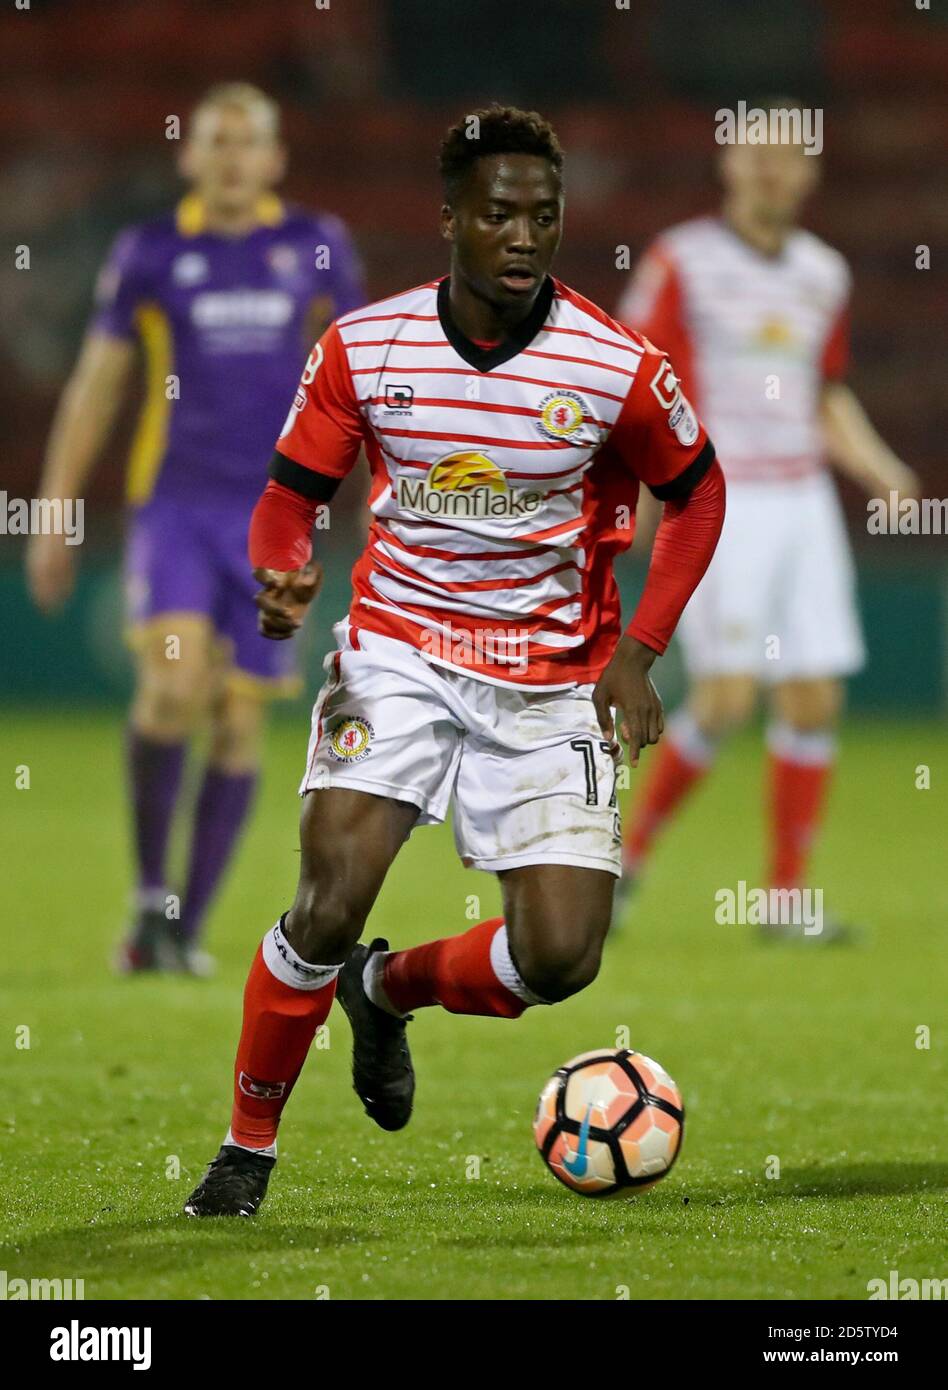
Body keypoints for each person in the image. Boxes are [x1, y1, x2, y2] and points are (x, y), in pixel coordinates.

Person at [183, 104, 726, 1218]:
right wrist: (282, 569)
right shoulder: (367, 347)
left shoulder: (614, 367)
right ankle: (247, 1149)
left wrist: (642, 650)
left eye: (543, 215)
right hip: (401, 653)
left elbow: (699, 492)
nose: (524, 236)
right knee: (327, 897)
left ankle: (383, 992)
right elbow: (291, 496)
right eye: (499, 214)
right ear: (449, 221)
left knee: (562, 957)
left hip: (553, 680)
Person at [26, 83, 365, 973]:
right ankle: (148, 896)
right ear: (189, 156)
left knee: (242, 724)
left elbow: (362, 381)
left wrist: (383, 500)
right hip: (176, 507)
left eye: (247, 141)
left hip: (276, 516)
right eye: (215, 140)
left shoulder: (317, 247)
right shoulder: (150, 252)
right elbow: (97, 385)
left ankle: (181, 929)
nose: (230, 156)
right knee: (175, 689)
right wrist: (54, 512)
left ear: (274, 159)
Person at [615, 101, 918, 937]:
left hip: (803, 502)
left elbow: (824, 393)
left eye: (790, 158)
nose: (774, 170)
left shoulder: (823, 272)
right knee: (725, 696)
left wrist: (880, 467)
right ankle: (623, 863)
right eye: (759, 155)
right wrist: (640, 492)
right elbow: (643, 385)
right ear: (731, 164)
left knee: (815, 698)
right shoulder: (684, 260)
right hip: (721, 498)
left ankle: (785, 898)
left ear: (811, 172)